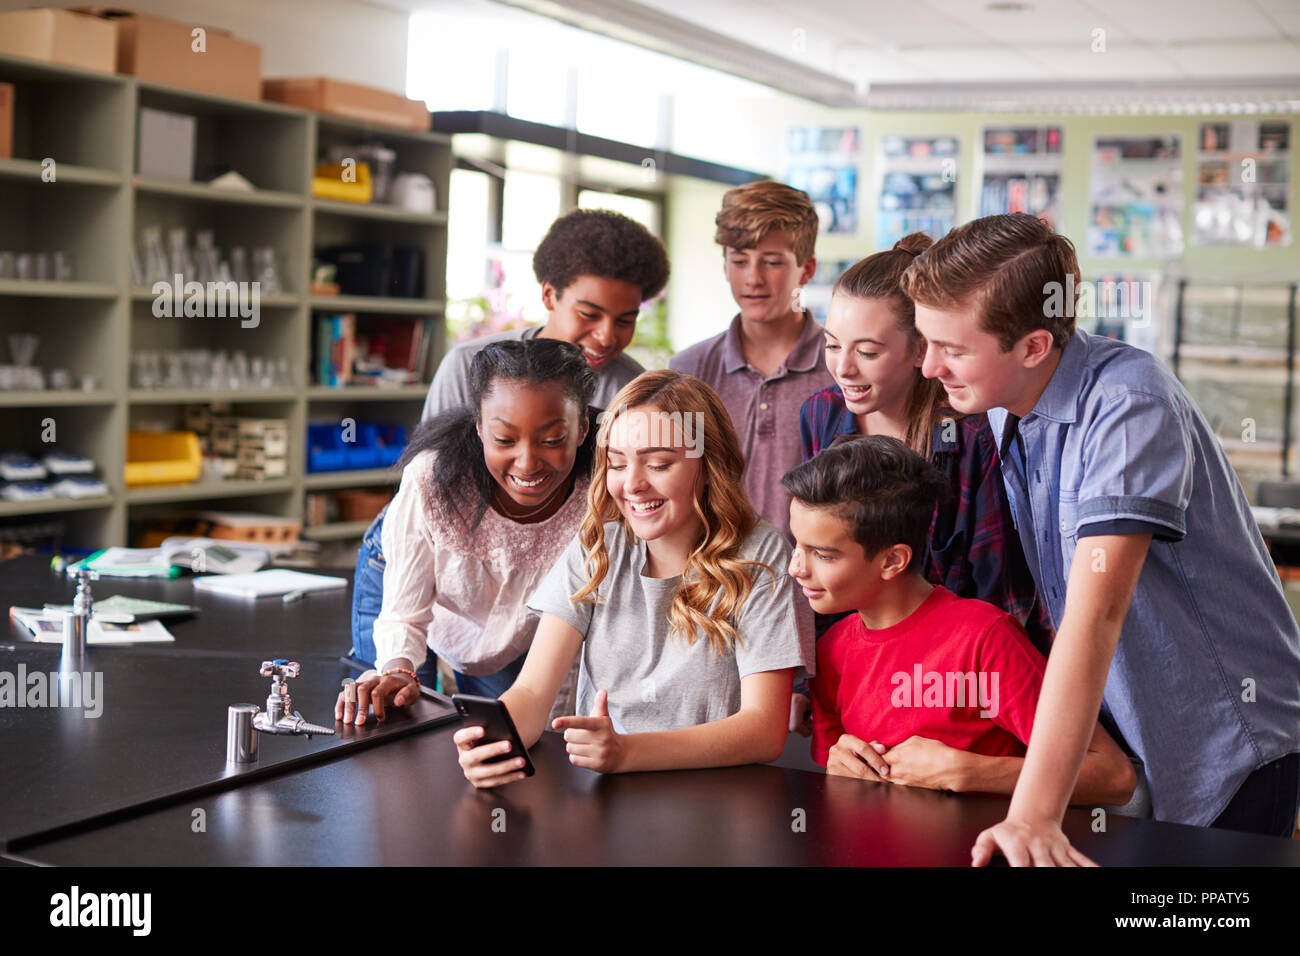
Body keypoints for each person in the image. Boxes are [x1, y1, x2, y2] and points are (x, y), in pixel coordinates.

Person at [902, 212, 1300, 863]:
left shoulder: (1128, 406)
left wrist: (1031, 817)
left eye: (952, 348)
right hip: (1132, 725)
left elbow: (1096, 615)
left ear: (1032, 346)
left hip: (1226, 744)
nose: (928, 367)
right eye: (925, 340)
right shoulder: (1006, 401)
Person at [350, 208, 670, 681]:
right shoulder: (469, 366)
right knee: (391, 700)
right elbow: (424, 491)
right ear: (549, 294)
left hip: (536, 572)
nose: (607, 336)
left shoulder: (634, 394)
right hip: (434, 552)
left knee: (504, 729)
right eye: (589, 313)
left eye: (625, 320)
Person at [453, 370, 815, 787]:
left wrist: (627, 752)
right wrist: (496, 740)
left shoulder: (760, 554)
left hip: (716, 799)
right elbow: (533, 692)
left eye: (659, 463)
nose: (633, 485)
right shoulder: (598, 545)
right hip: (606, 794)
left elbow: (763, 732)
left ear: (708, 463)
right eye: (618, 463)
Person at [789, 234, 1053, 735]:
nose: (844, 368)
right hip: (861, 668)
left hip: (954, 683)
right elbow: (821, 552)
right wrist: (811, 679)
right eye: (832, 345)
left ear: (919, 351)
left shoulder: (973, 435)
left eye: (867, 351)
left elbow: (999, 593)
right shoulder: (822, 415)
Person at [784, 435, 1135, 805]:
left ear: (892, 561)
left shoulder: (984, 638)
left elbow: (1112, 776)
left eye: (822, 555)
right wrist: (839, 768)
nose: (795, 568)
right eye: (797, 545)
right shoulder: (830, 651)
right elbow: (839, 779)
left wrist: (967, 771)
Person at [336, 338, 599, 724]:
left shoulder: (605, 487)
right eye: (504, 439)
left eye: (553, 440)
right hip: (406, 578)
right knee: (393, 716)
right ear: (478, 426)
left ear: (582, 429)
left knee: (499, 730)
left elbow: (568, 647)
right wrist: (396, 670)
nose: (527, 463)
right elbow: (403, 614)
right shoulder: (432, 477)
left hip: (518, 618)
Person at [669, 181, 834, 539]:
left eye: (772, 262)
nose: (753, 278)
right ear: (725, 266)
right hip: (712, 585)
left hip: (812, 590)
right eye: (739, 261)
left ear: (807, 269)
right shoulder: (686, 372)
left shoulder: (843, 370)